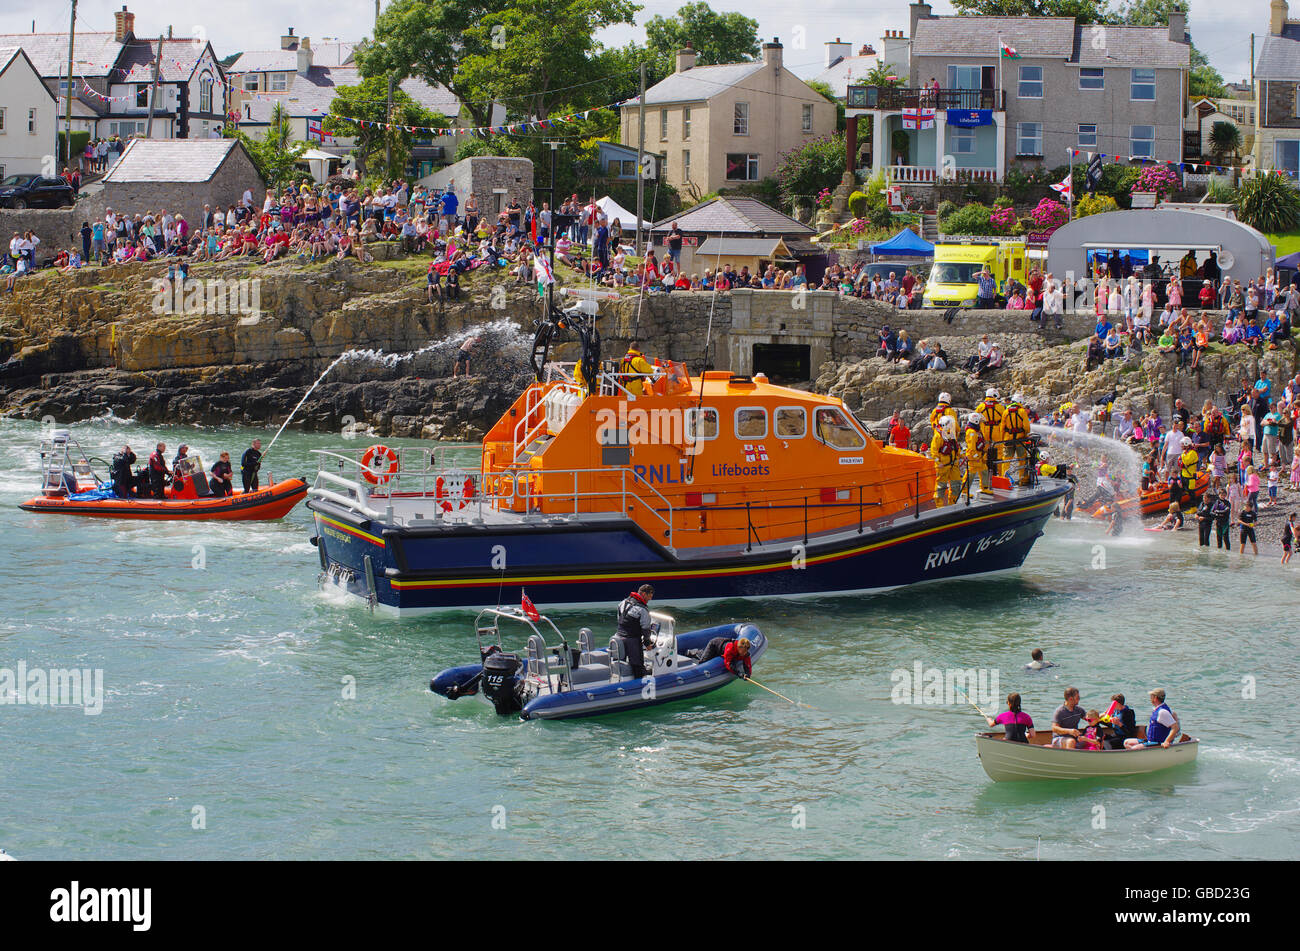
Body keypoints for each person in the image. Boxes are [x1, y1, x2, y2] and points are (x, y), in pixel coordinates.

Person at [614, 584, 656, 679]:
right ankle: (640, 685)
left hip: (618, 637)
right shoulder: (642, 609)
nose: (650, 599)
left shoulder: (623, 602)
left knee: (620, 662)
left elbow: (620, 619)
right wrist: (647, 644)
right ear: (644, 594)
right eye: (649, 597)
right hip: (632, 641)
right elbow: (646, 629)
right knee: (638, 667)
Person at [1002, 392, 1032, 486]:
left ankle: (1004, 479)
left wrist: (1003, 439)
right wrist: (1026, 435)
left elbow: (1002, 427)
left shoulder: (1006, 411)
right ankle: (1023, 480)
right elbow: (1026, 427)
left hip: (1008, 440)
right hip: (1020, 440)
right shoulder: (1022, 411)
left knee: (1006, 460)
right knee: (1022, 460)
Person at [931, 416, 962, 505]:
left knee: (956, 484)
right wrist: (938, 462)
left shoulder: (951, 434)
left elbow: (956, 448)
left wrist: (963, 456)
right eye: (950, 425)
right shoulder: (938, 436)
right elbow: (934, 451)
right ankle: (939, 505)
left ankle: (952, 503)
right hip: (943, 466)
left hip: (953, 465)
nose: (952, 427)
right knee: (941, 486)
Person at [964, 411, 989, 494]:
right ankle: (965, 491)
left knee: (984, 470)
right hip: (974, 457)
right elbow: (971, 448)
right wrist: (976, 457)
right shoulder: (971, 432)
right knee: (970, 474)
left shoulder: (977, 430)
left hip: (980, 455)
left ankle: (984, 487)